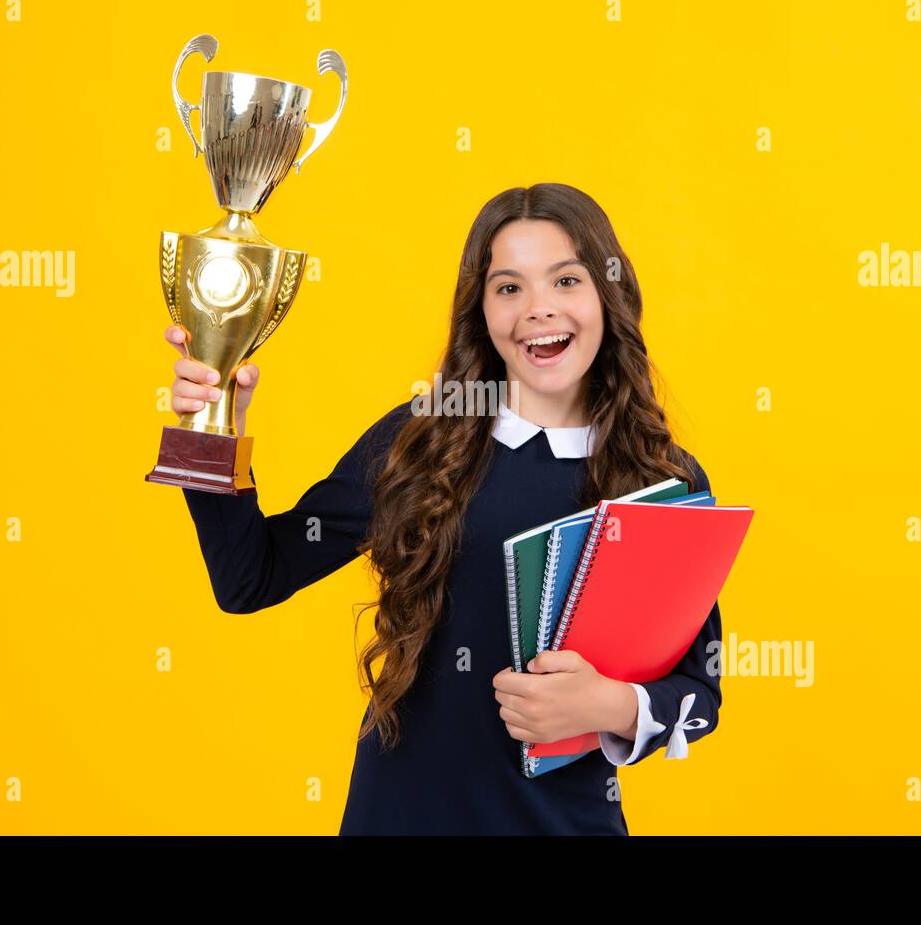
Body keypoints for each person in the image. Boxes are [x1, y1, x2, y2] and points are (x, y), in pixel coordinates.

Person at [166, 182, 722, 835]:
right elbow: (248, 578)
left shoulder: (662, 480)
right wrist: (211, 430)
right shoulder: (419, 438)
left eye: (566, 280)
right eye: (509, 288)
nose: (538, 309)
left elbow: (700, 693)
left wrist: (610, 704)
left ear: (609, 293)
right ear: (480, 312)